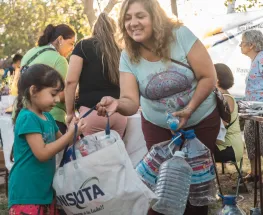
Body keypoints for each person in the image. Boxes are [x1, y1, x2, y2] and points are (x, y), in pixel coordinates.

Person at [96, 0, 220, 214]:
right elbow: (130, 100)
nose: (133, 23)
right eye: (127, 18)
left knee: (194, 190)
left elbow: (208, 76)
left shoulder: (180, 35)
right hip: (158, 127)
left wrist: (189, 109)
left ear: (155, 17)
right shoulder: (127, 56)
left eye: (140, 16)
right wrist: (117, 104)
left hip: (200, 121)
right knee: (163, 188)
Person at [8, 64, 85, 215]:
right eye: (53, 94)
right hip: (27, 193)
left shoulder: (48, 117)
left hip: (44, 191)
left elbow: (63, 143)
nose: (57, 99)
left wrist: (74, 132)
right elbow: (42, 153)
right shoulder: (27, 118)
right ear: (33, 90)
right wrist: (69, 135)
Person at [65, 13, 127, 137]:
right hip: (119, 114)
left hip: (92, 113)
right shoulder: (120, 51)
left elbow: (71, 81)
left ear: (94, 29)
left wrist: (70, 113)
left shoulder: (83, 46)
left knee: (92, 155)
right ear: (114, 30)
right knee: (115, 154)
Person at [12, 24, 76, 134]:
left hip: (20, 114)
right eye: (71, 43)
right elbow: (61, 94)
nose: (72, 48)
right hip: (49, 119)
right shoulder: (59, 60)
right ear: (60, 39)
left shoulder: (30, 52)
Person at [240, 29, 263, 182]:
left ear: (251, 44)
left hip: (260, 109)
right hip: (252, 109)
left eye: (242, 42)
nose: (240, 45)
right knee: (250, 138)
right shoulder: (255, 60)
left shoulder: (262, 59)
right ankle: (255, 172)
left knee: (261, 140)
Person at [214, 63, 244, 163]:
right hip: (225, 145)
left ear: (216, 79)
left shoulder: (226, 98)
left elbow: (224, 123)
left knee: (197, 153)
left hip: (230, 148)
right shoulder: (223, 96)